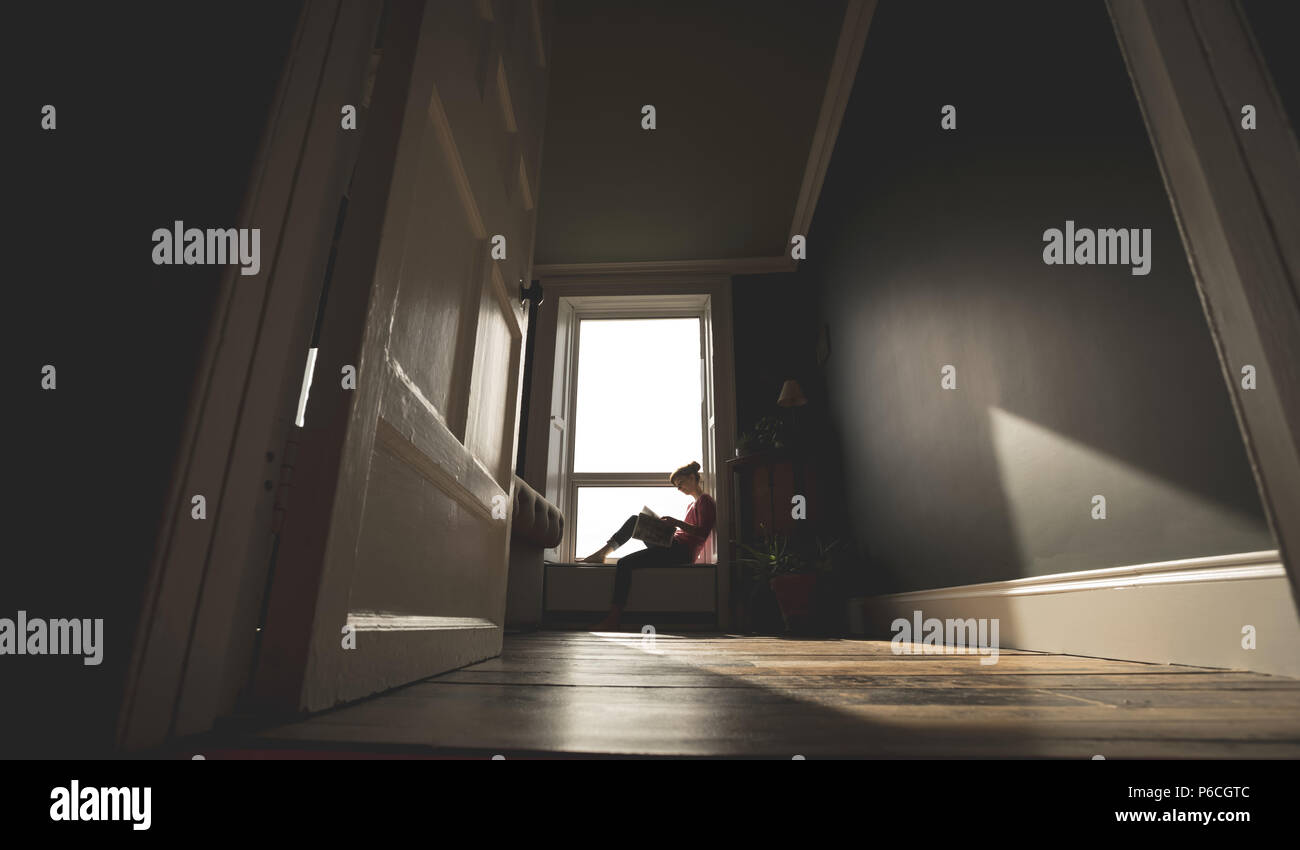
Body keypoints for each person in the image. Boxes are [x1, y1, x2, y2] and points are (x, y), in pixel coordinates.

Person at [581, 461, 716, 630]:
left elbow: (702, 533)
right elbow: (689, 532)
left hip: (680, 552)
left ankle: (613, 617)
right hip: (673, 545)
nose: (679, 489)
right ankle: (603, 554)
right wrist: (668, 529)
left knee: (624, 561)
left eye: (680, 484)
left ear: (692, 478)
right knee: (636, 520)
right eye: (676, 486)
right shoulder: (691, 504)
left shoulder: (706, 501)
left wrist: (676, 523)